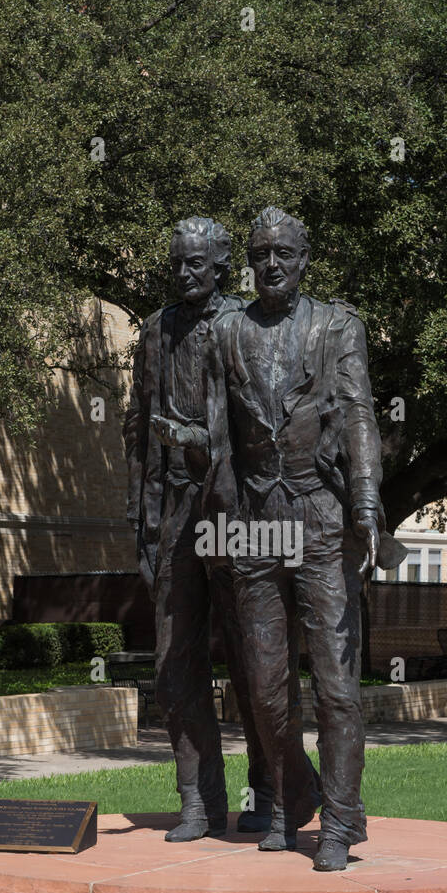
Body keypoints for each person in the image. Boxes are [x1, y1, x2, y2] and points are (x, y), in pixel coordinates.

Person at [208, 206, 384, 871]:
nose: (270, 265)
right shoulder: (228, 332)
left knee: (336, 688)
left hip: (319, 516)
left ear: (304, 259)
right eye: (259, 255)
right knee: (264, 689)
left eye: (282, 254)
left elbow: (361, 415)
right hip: (254, 523)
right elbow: (217, 428)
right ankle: (290, 798)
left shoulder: (336, 327)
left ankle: (338, 821)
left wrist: (365, 502)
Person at [123, 217, 273, 841]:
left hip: (233, 512)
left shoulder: (244, 326)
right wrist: (142, 521)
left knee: (254, 661)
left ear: (220, 266)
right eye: (177, 263)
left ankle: (274, 794)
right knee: (174, 662)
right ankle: (198, 802)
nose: (184, 273)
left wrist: (196, 440)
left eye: (196, 264)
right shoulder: (155, 330)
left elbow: (261, 426)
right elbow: (137, 429)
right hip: (177, 512)